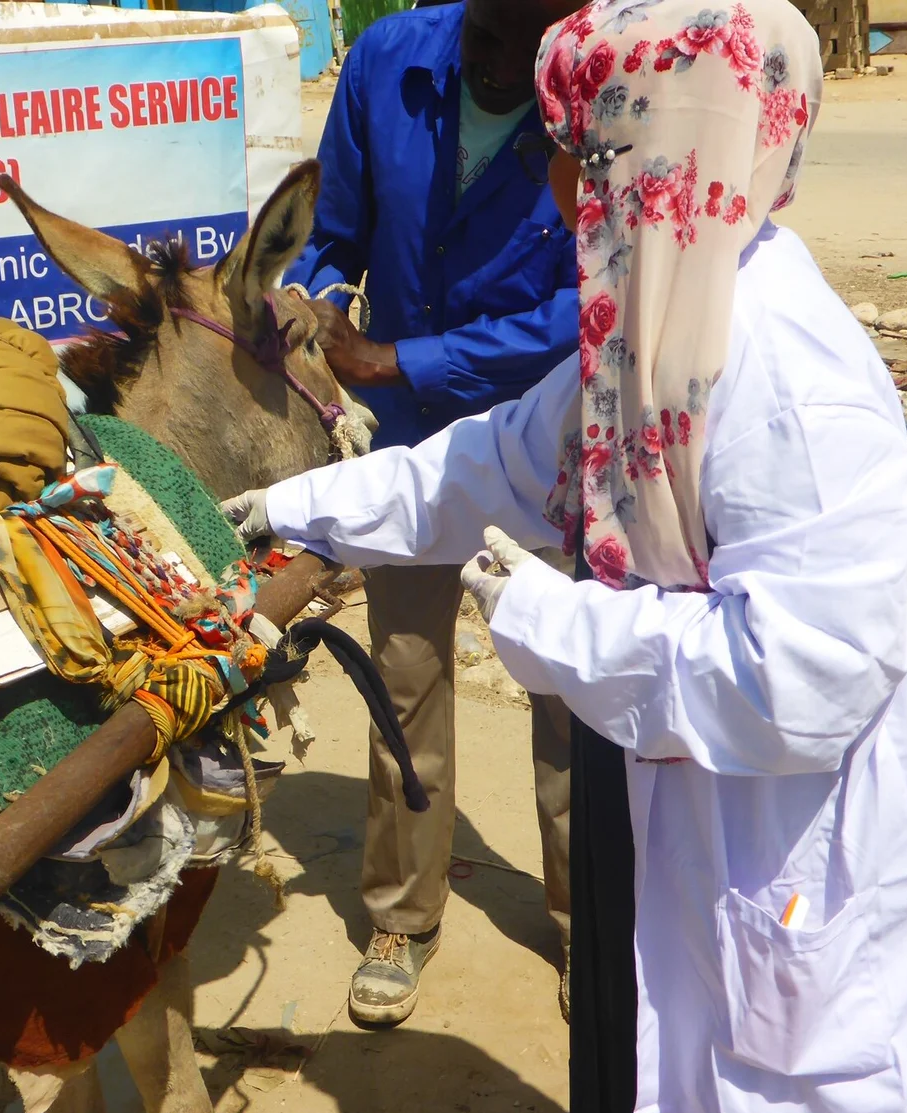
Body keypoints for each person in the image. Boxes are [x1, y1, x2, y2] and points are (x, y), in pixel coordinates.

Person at [226, 0, 907, 1113]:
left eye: (580, 150)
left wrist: (554, 620)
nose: (557, 184)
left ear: (665, 154)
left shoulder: (784, 376)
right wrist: (286, 508)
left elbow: (801, 680)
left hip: (826, 922)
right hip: (702, 842)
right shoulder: (653, 321)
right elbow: (486, 464)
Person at [279, 0, 585, 1028]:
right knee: (403, 680)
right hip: (405, 443)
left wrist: (403, 357)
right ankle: (403, 916)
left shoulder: (600, 83)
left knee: (564, 688)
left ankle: (590, 922)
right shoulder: (384, 64)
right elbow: (334, 238)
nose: (500, 68)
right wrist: (320, 299)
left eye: (526, 45)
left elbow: (585, 302)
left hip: (541, 439)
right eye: (485, 37)